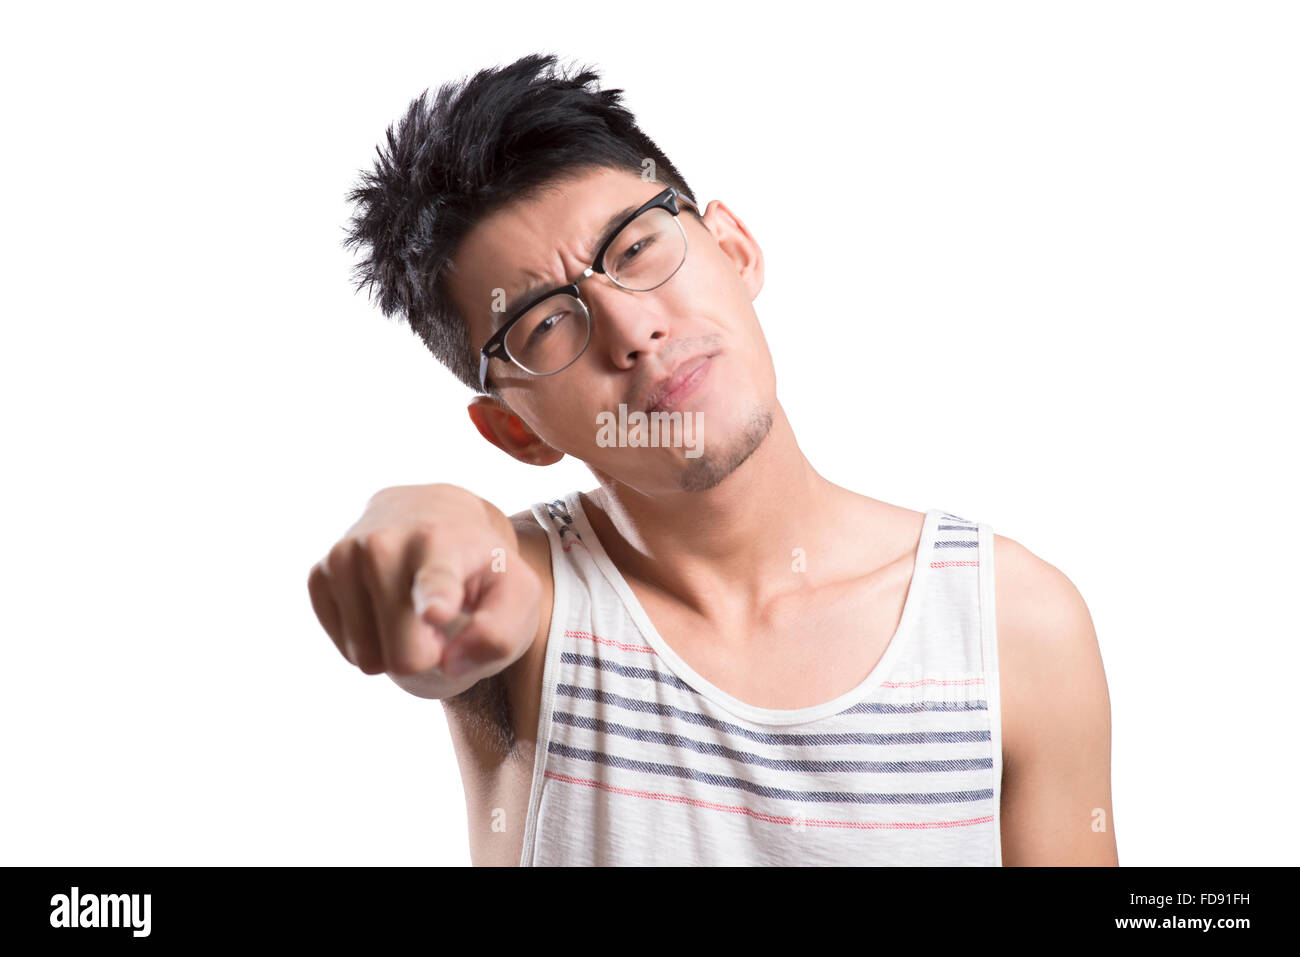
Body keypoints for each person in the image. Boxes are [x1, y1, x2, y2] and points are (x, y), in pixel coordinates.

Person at [307, 53, 1117, 866]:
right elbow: (451, 545)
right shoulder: (538, 607)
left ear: (734, 246)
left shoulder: (1009, 622)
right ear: (517, 431)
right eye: (546, 324)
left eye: (633, 248)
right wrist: (412, 539)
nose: (631, 330)